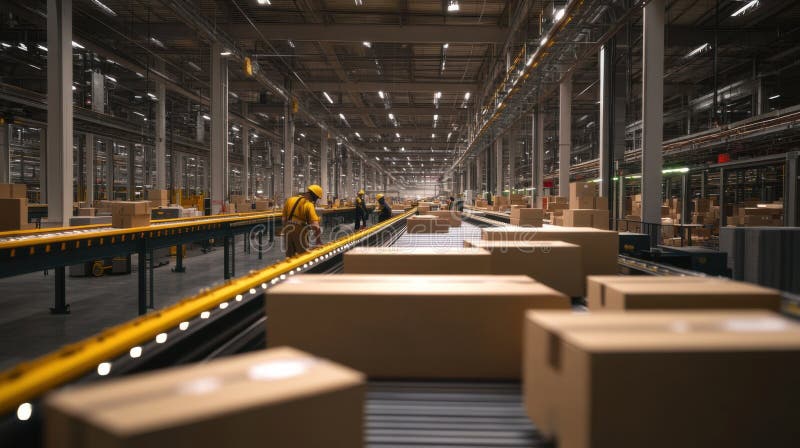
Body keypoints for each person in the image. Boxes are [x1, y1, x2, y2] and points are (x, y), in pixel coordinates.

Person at [281, 185, 323, 257]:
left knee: (289, 256)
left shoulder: (290, 200)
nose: (315, 201)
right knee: (303, 256)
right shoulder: (309, 204)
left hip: (287, 228)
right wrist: (318, 241)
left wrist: (286, 229)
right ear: (314, 196)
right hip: (299, 229)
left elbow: (283, 219)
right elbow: (316, 226)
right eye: (316, 198)